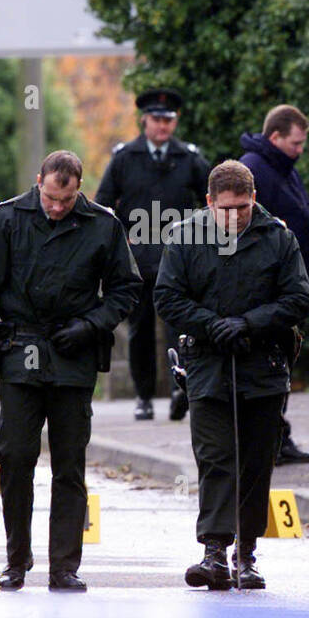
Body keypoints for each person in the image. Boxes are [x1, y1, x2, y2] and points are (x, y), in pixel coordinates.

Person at [0, 151, 141, 593]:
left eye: (67, 199)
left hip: (73, 352)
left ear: (79, 187)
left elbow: (126, 288)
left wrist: (92, 325)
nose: (58, 207)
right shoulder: (7, 218)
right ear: (38, 180)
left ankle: (64, 565)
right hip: (19, 346)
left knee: (69, 465)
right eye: (51, 197)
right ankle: (16, 559)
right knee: (15, 457)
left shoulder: (102, 224)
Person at [155, 160, 309, 590]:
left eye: (242, 207)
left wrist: (250, 323)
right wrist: (210, 324)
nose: (234, 216)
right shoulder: (187, 236)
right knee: (215, 458)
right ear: (209, 203)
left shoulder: (277, 237)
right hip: (207, 363)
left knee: (256, 462)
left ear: (254, 199)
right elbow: (167, 297)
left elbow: (299, 297)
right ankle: (213, 551)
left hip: (262, 362)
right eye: (225, 209)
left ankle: (246, 553)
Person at [94, 87, 209, 423]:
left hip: (179, 259)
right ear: (144, 120)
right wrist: (118, 246)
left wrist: (201, 239)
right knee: (140, 330)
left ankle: (179, 387)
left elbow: (212, 198)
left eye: (168, 120)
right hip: (137, 260)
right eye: (157, 120)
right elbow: (104, 206)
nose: (163, 126)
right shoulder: (125, 158)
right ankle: (144, 395)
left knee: (180, 325)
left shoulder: (188, 158)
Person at [238, 104, 309, 465]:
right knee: (269, 369)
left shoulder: (282, 168)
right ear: (275, 137)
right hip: (267, 289)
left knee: (282, 366)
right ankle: (268, 441)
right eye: (296, 143)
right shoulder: (256, 170)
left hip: (287, 285)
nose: (300, 150)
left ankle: (277, 438)